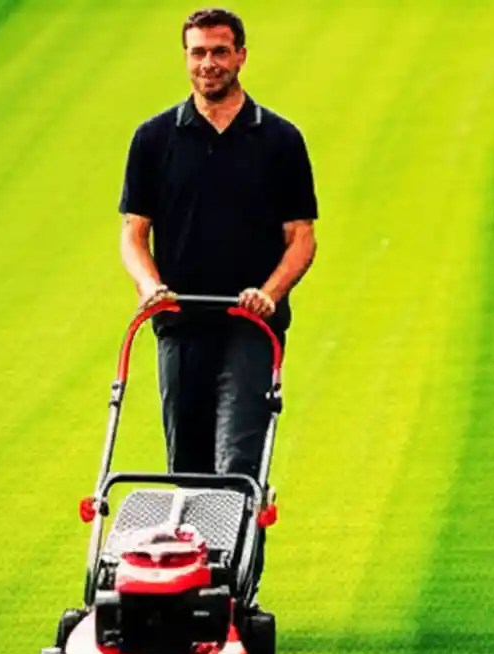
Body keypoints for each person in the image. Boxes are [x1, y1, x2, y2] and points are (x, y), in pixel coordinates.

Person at [118, 7, 317, 483]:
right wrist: (150, 285)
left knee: (239, 463)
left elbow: (302, 238)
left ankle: (239, 554)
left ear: (241, 56)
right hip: (181, 324)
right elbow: (133, 233)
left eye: (220, 52)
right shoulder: (154, 138)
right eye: (198, 52)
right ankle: (192, 555)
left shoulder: (279, 139)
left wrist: (269, 294)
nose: (209, 63)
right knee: (186, 465)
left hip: (250, 326)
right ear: (186, 58)